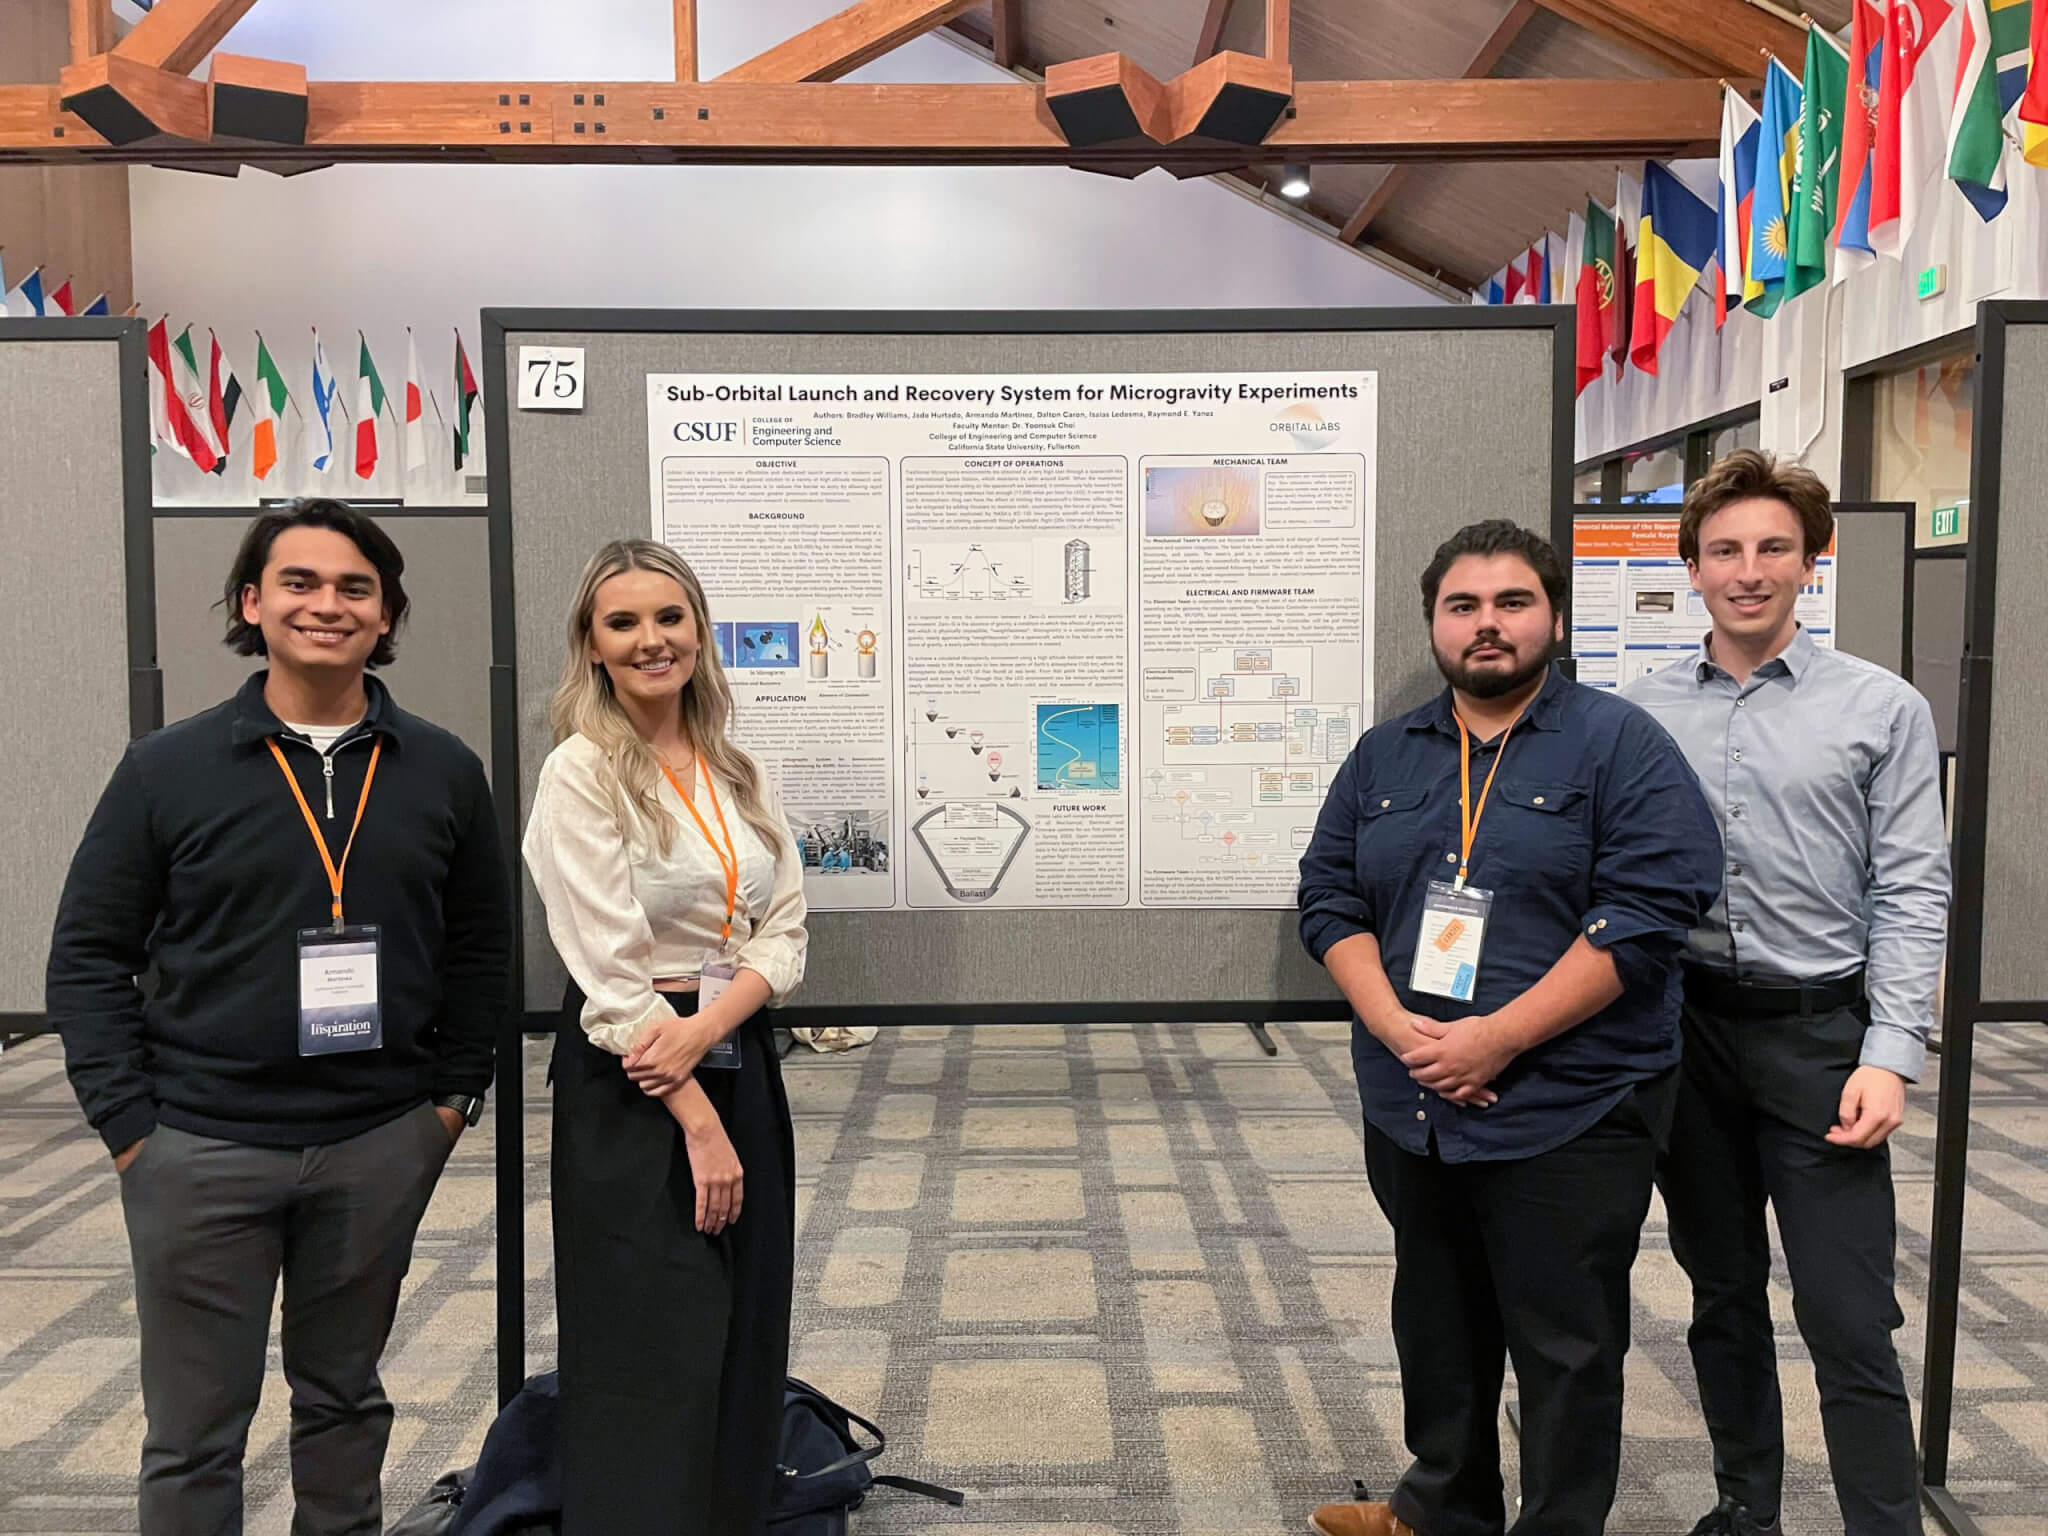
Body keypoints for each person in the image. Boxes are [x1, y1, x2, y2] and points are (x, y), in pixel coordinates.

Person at [44, 499, 513, 1536]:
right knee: (195, 1428)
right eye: (298, 583)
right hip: (199, 1144)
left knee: (345, 1400)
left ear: (386, 613)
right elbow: (86, 956)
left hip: (380, 1139)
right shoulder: (166, 769)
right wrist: (131, 1132)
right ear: (250, 604)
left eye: (355, 587)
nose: (326, 605)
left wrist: (449, 1102)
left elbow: (482, 946)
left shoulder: (442, 769)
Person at [1297, 519, 1722, 1536]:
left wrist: (1496, 1039)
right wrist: (1401, 1029)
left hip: (1567, 1102)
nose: (1486, 626)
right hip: (1414, 1103)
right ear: (1434, 624)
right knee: (1436, 1323)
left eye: (1510, 603)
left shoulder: (1619, 745)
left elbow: (1648, 913)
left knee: (1564, 1341)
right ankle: (1440, 1509)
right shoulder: (1384, 753)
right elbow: (1326, 901)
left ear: (1553, 618)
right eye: (1463, 607)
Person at [1624, 451, 1950, 1536]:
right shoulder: (1636, 713)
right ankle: (1742, 1509)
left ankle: (1880, 1525)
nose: (1747, 571)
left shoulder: (1879, 708)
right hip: (1687, 1033)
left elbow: (1911, 889)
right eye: (1723, 550)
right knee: (1720, 1295)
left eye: (1771, 548)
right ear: (1690, 568)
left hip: (1821, 1039)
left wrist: (1887, 1051)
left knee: (1847, 1313)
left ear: (1809, 562)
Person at [522, 538, 808, 1536]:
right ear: (592, 647)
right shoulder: (580, 772)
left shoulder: (737, 764)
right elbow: (605, 966)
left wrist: (707, 1032)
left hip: (733, 1053)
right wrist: (691, 1108)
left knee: (744, 1320)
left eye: (669, 618)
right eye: (623, 623)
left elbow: (787, 931)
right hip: (630, 1080)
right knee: (654, 1334)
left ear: (698, 632)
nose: (651, 640)